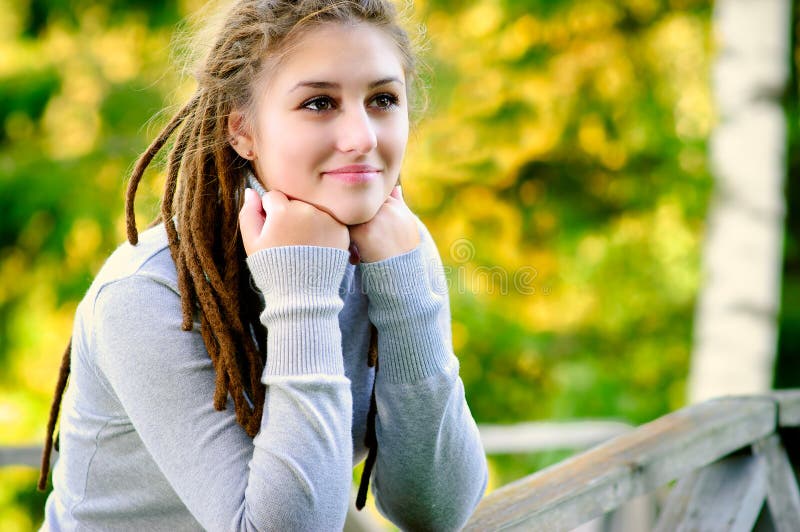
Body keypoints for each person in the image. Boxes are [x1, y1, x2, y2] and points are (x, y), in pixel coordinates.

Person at [37, 0, 488, 529]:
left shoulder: (396, 251)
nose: (363, 137)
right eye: (319, 103)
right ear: (242, 132)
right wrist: (302, 291)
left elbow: (436, 510)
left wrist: (406, 290)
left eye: (383, 99)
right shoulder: (147, 293)